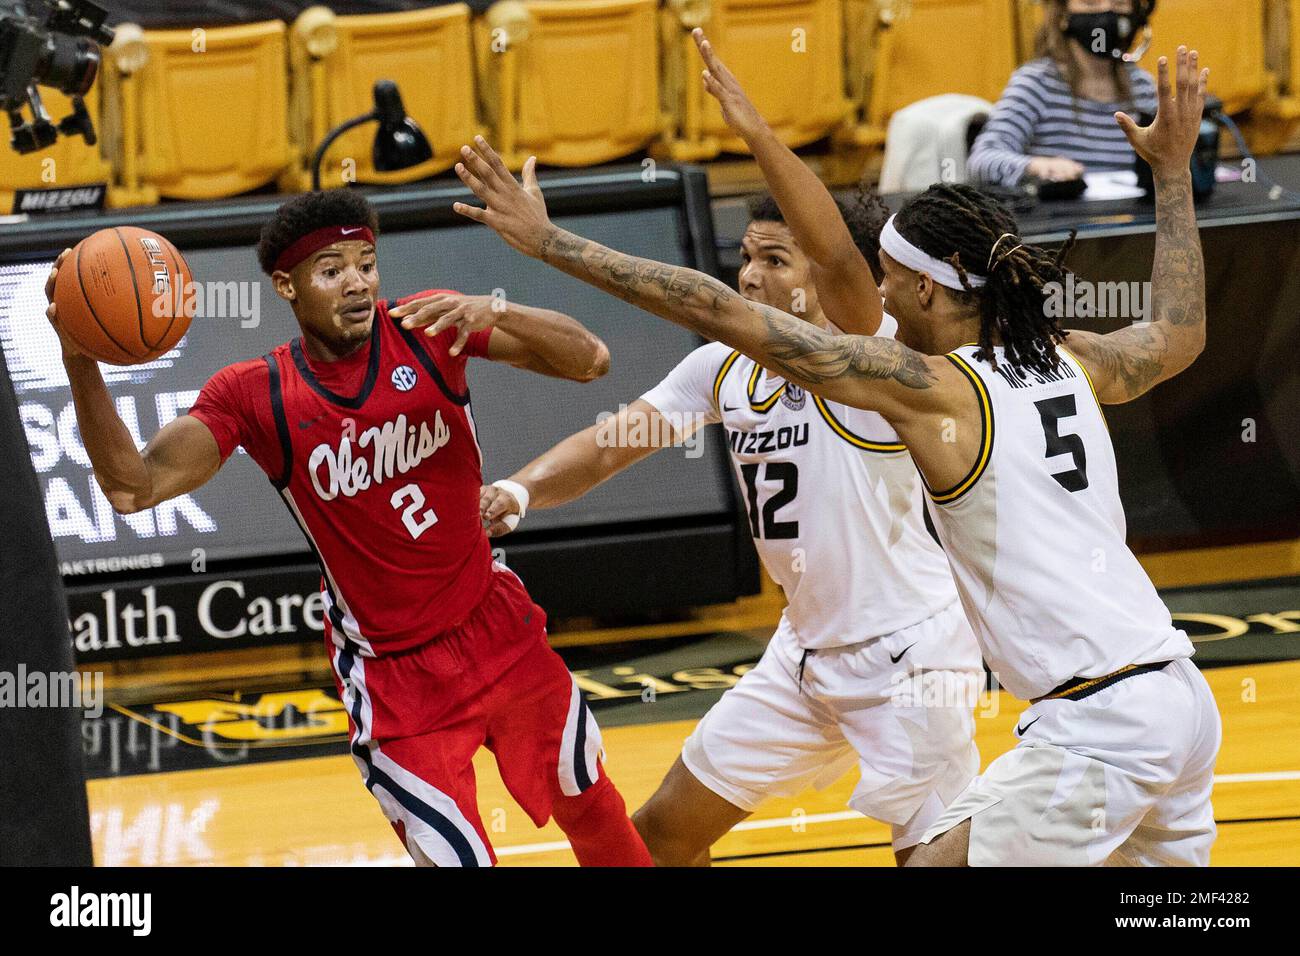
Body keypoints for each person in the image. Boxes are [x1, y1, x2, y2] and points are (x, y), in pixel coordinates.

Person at [451, 41, 1221, 866]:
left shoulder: (925, 386)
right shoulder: (1069, 357)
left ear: (927, 288)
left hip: (1063, 707)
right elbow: (1180, 332)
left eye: (889, 279)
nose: (877, 295)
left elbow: (714, 307)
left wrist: (551, 244)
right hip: (1168, 696)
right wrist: (1172, 175)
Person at [42, 189, 652, 868]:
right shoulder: (255, 393)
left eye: (366, 262)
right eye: (332, 270)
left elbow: (590, 360)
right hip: (394, 675)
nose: (357, 282)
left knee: (592, 804)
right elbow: (132, 486)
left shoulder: (429, 326)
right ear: (287, 287)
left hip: (495, 626)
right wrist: (78, 357)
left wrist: (496, 307)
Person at [480, 175, 983, 865]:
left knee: (929, 859)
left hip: (909, 656)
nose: (749, 276)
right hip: (803, 653)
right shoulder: (724, 369)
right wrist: (518, 489)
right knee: (662, 836)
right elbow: (608, 446)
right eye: (746, 257)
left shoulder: (875, 351)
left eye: (775, 261)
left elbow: (842, 277)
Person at [968, 0, 1158, 186]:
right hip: (1061, 214)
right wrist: (1038, 167)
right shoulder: (1036, 83)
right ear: (1062, 14)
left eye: (1119, 3)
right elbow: (982, 160)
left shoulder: (1142, 86)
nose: (1106, 10)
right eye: (1090, 3)